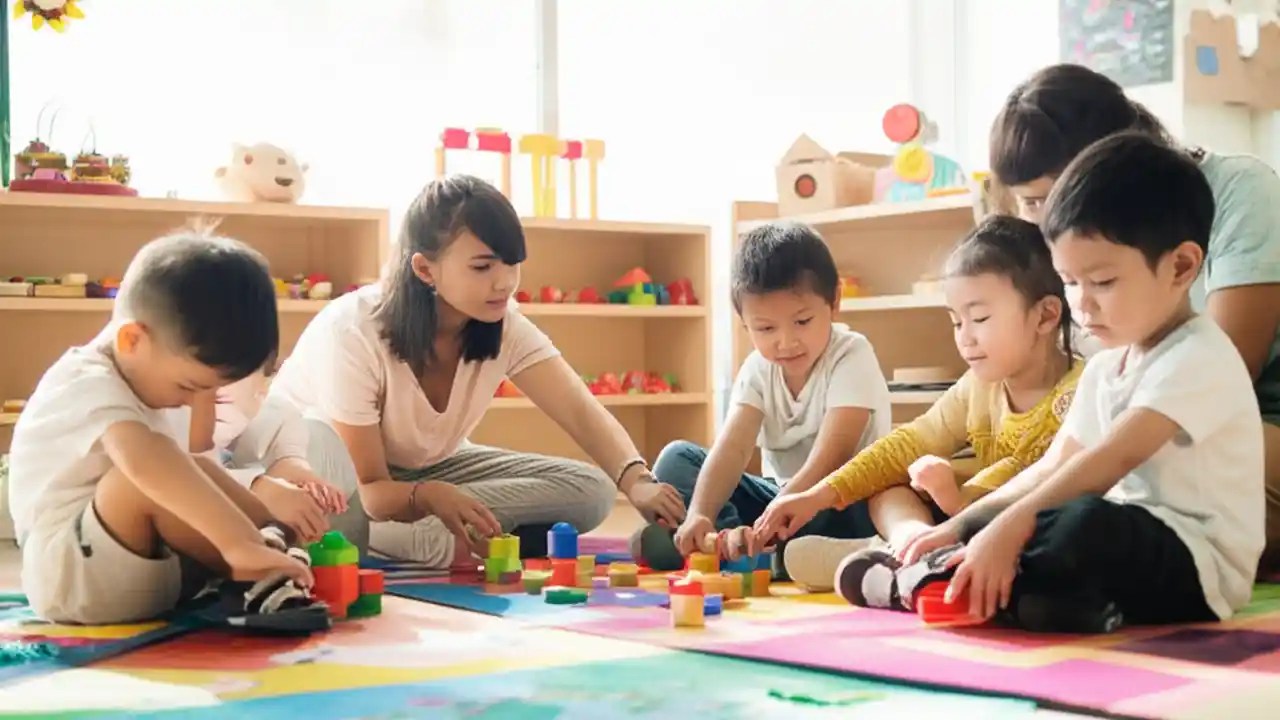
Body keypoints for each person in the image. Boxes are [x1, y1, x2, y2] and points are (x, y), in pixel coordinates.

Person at [845, 132, 1264, 632]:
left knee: (1077, 521)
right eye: (1069, 281)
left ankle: (927, 585)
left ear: (1181, 266)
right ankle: (1010, 594)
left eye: (1103, 282)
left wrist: (1012, 527)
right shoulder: (1108, 366)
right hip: (1120, 549)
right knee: (1011, 513)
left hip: (1200, 566)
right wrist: (963, 525)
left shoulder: (1199, 355)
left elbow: (1109, 462)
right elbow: (1053, 467)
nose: (1081, 304)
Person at [269, 175, 686, 568]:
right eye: (483, 267)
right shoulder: (353, 331)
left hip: (426, 470)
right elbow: (373, 488)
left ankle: (444, 534)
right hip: (334, 477)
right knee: (358, 518)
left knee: (593, 490)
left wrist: (637, 481)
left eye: (512, 263)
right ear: (424, 270)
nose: (504, 282)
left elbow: (578, 409)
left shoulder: (504, 325)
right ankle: (413, 536)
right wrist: (431, 497)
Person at [989, 62, 1280, 569]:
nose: (1038, 220)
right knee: (1034, 489)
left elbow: (1227, 369)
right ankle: (930, 546)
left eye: (1042, 199)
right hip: (1147, 418)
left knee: (1092, 504)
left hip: (1242, 421)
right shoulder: (1080, 256)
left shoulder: (1239, 191)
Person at [8, 229, 323, 627]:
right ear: (133, 340)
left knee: (196, 469)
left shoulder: (148, 370)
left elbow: (188, 469)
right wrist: (235, 542)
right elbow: (143, 464)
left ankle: (274, 545)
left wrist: (259, 528)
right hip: (71, 577)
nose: (194, 402)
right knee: (148, 473)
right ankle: (253, 569)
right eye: (189, 387)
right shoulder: (84, 380)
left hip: (142, 566)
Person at [753, 215, 1081, 590]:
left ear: (1046, 315)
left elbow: (1056, 484)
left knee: (1033, 497)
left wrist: (961, 500)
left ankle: (899, 557)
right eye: (957, 322)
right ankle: (912, 548)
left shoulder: (1080, 391)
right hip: (962, 522)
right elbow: (907, 444)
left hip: (1023, 529)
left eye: (979, 318)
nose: (965, 338)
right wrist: (815, 496)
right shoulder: (977, 386)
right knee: (891, 487)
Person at [646, 220, 889, 573]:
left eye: (802, 322)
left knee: (872, 501)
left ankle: (774, 552)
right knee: (676, 460)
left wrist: (789, 506)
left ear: (834, 302)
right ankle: (732, 543)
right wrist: (701, 513)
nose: (786, 342)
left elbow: (832, 457)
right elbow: (733, 448)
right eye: (765, 328)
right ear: (744, 322)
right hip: (777, 500)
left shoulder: (851, 354)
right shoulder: (758, 369)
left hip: (836, 498)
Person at [185, 369, 366, 550]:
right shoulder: (170, 426)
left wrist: (301, 476)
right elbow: (178, 472)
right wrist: (258, 490)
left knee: (321, 440)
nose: (209, 392)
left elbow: (288, 457)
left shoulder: (275, 415)